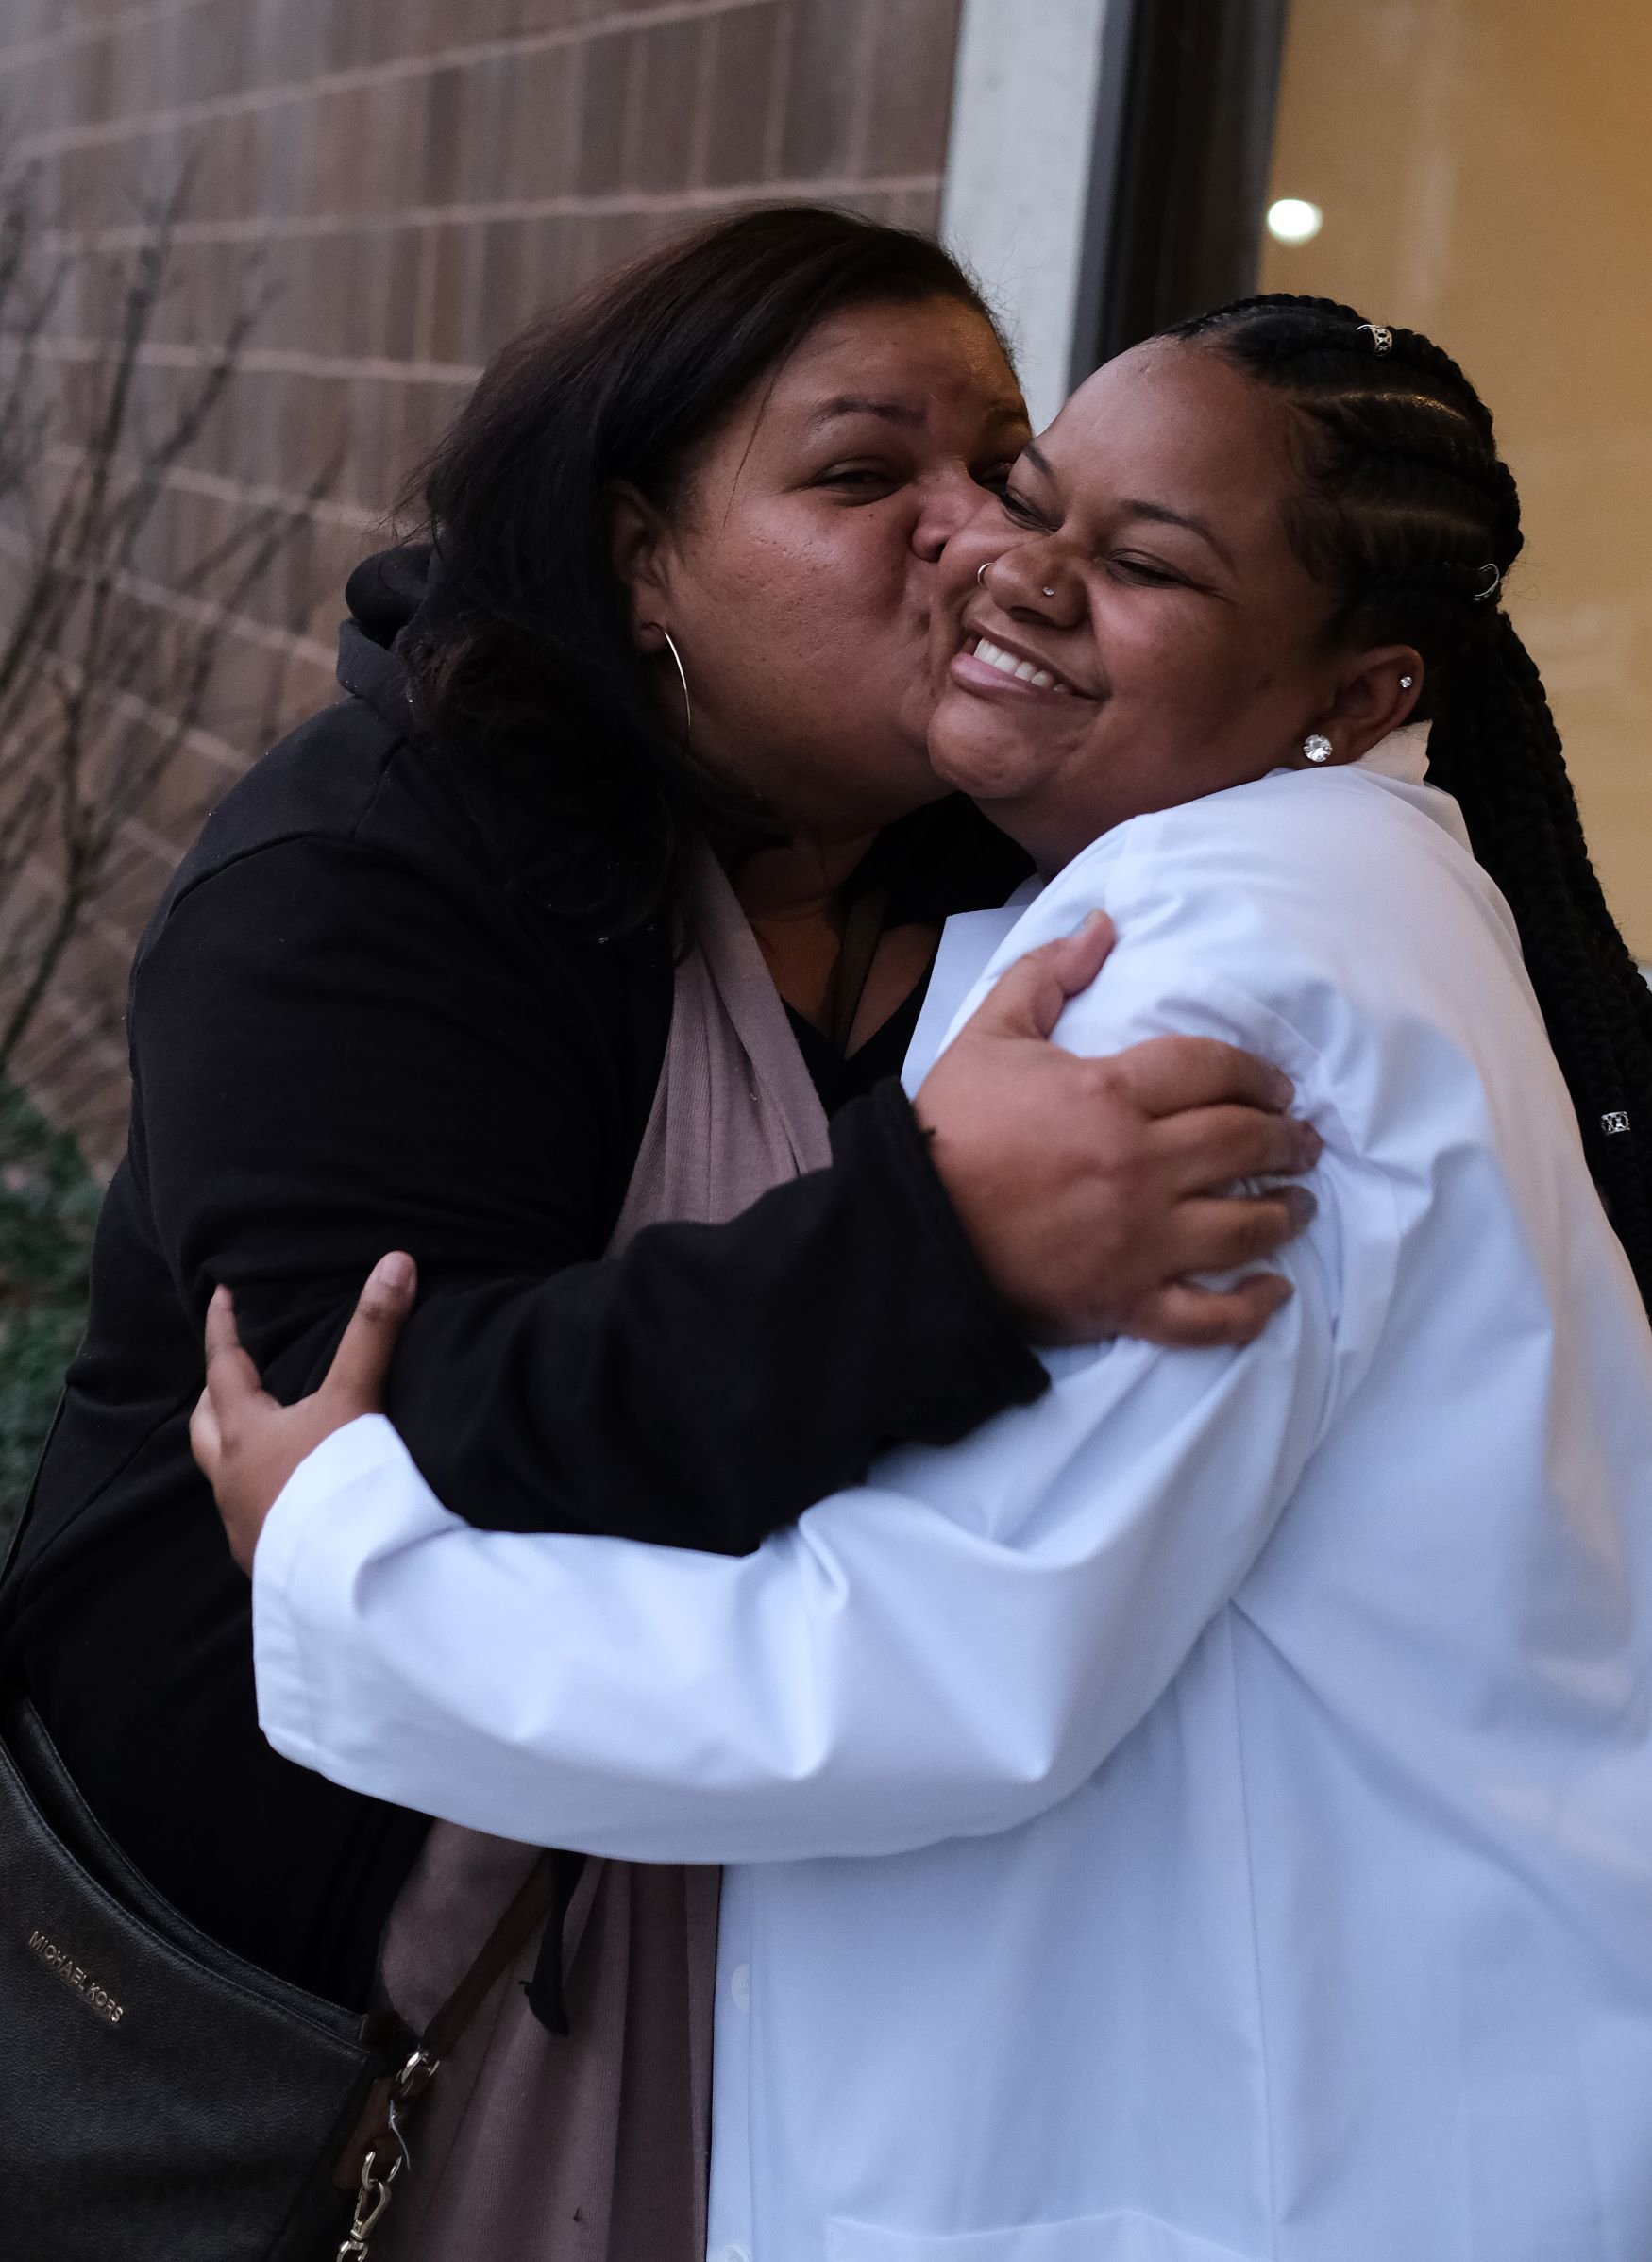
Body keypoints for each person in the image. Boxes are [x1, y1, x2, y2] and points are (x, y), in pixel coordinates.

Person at [206, 295, 1652, 2261]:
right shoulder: (1257, 908)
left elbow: (929, 1662)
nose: (1010, 565)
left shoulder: (1236, 994)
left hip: (1277, 2159)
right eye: (1035, 498)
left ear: (1354, 684)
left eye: (1141, 562)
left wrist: (350, 1569)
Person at [0, 211, 1313, 2255]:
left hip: (822, 1958)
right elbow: (396, 1430)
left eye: (1011, 468)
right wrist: (938, 1240)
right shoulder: (358, 878)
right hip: (295, 1986)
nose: (982, 536)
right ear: (640, 565)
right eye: (865, 476)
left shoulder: (1060, 883)